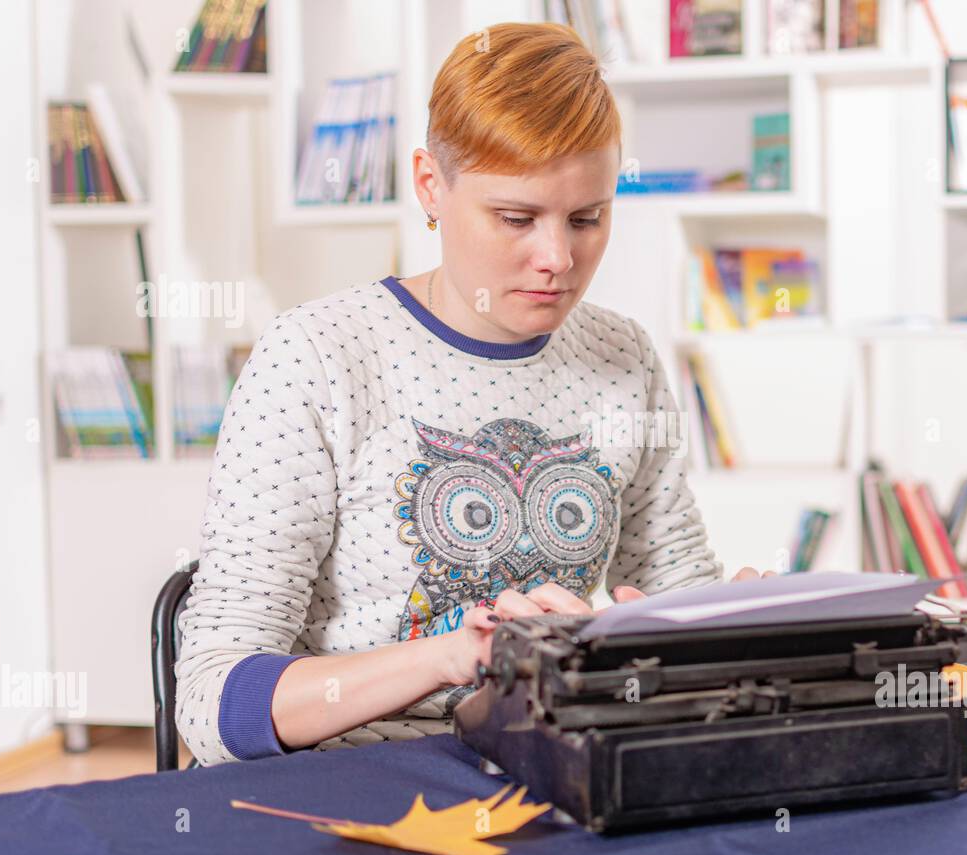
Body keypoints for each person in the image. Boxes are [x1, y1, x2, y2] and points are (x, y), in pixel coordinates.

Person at [175, 22, 763, 767]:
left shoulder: (623, 357)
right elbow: (211, 701)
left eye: (588, 218)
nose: (558, 259)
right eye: (516, 218)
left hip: (558, 770)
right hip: (361, 782)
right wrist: (449, 657)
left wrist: (723, 629)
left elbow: (674, 595)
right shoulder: (317, 357)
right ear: (430, 186)